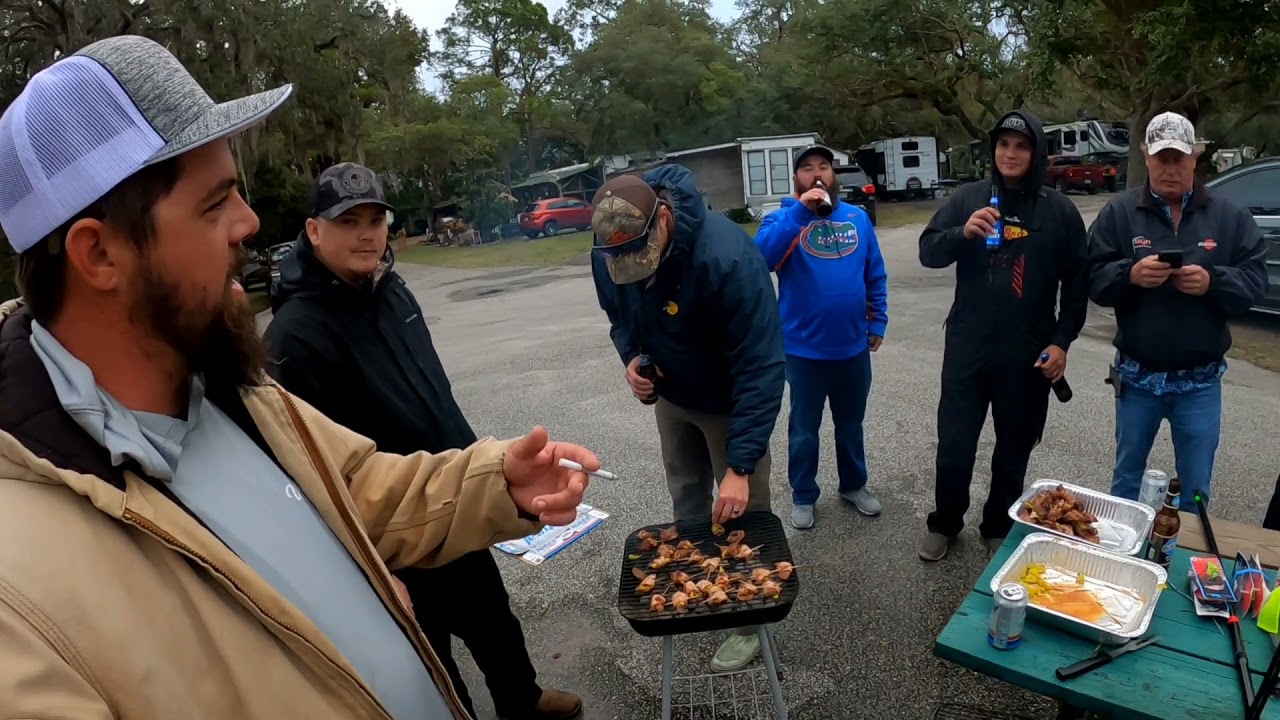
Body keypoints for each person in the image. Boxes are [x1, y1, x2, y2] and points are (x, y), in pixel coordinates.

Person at [0, 35, 598, 718]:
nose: (249, 223)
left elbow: (359, 491)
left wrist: (495, 481)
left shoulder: (233, 391)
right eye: (214, 202)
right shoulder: (19, 600)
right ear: (100, 252)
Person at [264, 163, 582, 720]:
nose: (367, 233)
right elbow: (305, 467)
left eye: (376, 219)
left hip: (455, 490)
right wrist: (369, 564)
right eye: (349, 222)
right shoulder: (293, 335)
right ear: (314, 232)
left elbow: (434, 388)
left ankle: (522, 702)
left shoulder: (392, 289)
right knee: (427, 649)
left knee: (492, 617)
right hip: (392, 526)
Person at [590, 166, 785, 672]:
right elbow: (621, 316)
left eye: (639, 255)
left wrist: (740, 467)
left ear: (664, 219)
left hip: (729, 399)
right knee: (687, 498)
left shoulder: (729, 258)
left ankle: (751, 625)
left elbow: (761, 365)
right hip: (674, 396)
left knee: (744, 512)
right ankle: (697, 586)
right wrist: (632, 358)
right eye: (619, 259)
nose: (629, 265)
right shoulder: (608, 250)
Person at [917, 109, 1089, 561]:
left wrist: (1062, 341)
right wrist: (961, 233)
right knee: (955, 446)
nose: (1010, 154)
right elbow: (928, 252)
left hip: (1028, 353)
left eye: (1021, 146)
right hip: (969, 346)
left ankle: (998, 524)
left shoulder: (1060, 211)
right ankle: (945, 523)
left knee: (1013, 449)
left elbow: (1076, 288)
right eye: (1003, 145)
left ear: (1036, 154)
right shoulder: (969, 198)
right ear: (993, 151)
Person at [1088, 111, 1268, 505]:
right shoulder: (1119, 214)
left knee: (1197, 489)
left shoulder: (1229, 216)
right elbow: (1092, 277)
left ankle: (1183, 560)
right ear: (1146, 156)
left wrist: (1212, 282)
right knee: (1126, 482)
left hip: (1199, 384)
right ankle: (1121, 560)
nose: (1169, 169)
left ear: (1195, 158)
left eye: (1178, 159)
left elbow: (1256, 282)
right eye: (1161, 159)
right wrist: (1130, 275)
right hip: (1136, 379)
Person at [753, 145, 889, 530]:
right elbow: (760, 259)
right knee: (803, 429)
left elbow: (874, 272)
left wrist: (877, 321)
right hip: (803, 350)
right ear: (796, 179)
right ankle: (803, 494)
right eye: (807, 168)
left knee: (851, 424)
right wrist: (800, 212)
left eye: (824, 167)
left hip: (852, 347)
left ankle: (854, 485)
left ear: (834, 175)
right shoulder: (782, 219)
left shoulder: (857, 218)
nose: (817, 174)